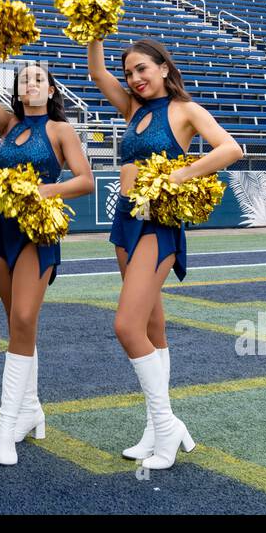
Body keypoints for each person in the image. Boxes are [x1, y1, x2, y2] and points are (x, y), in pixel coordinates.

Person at [87, 37, 243, 469]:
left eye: (142, 69)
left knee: (126, 325)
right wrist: (94, 29)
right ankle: (157, 430)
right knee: (153, 330)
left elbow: (231, 148)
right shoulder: (132, 108)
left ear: (163, 68)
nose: (135, 79)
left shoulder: (185, 111)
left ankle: (166, 423)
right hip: (126, 220)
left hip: (159, 223)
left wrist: (183, 175)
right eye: (130, 73)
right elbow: (97, 74)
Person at [0, 52, 93, 465]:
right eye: (24, 80)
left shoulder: (61, 129)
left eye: (39, 79)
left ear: (52, 88)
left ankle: (6, 424)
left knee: (24, 319)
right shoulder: (8, 125)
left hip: (37, 231)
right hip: (0, 229)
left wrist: (41, 193)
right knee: (15, 324)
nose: (31, 85)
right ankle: (31, 409)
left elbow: (85, 180)